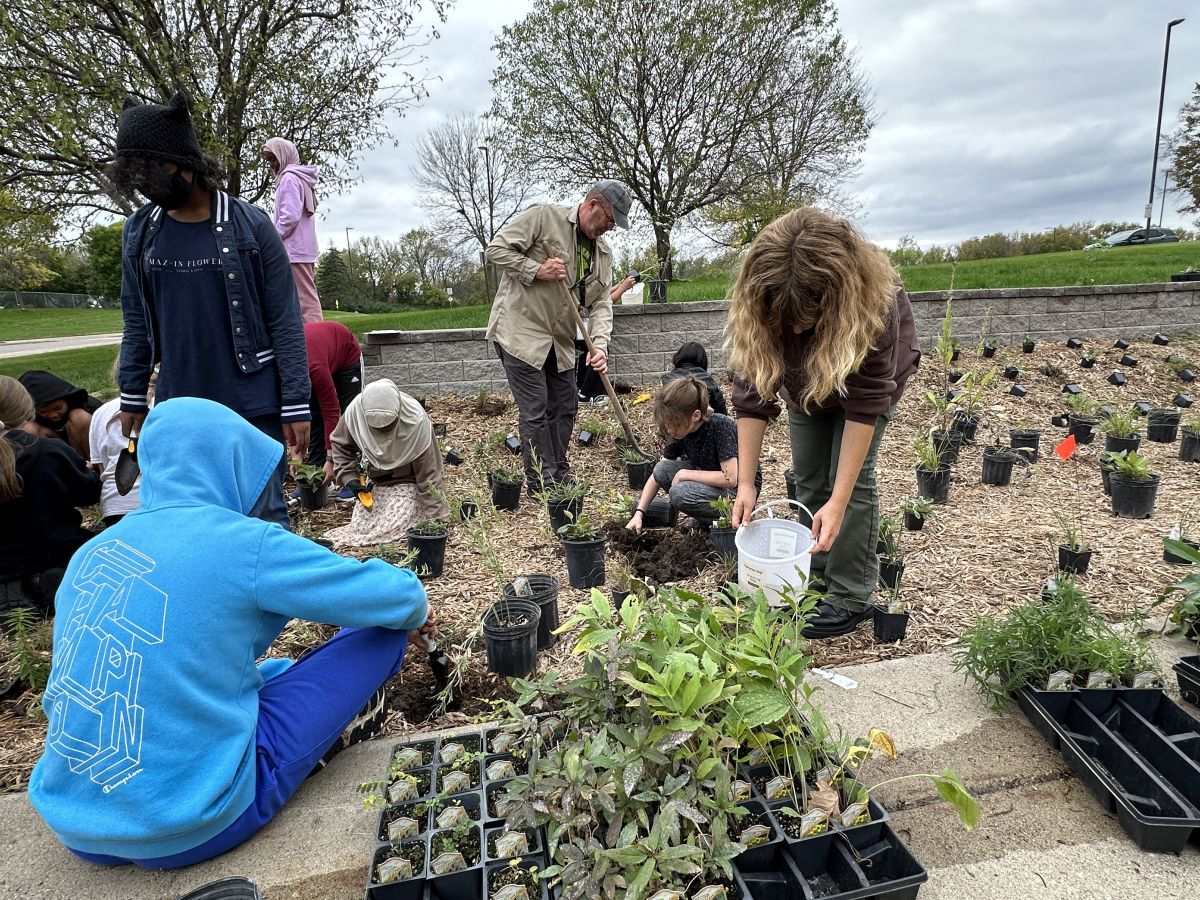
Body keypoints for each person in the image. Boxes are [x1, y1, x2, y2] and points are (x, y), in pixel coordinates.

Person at [27, 397, 434, 869]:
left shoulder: (90, 554)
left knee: (239, 669)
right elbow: (400, 597)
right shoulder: (243, 542)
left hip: (75, 824)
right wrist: (405, 613)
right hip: (192, 819)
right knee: (382, 635)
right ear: (231, 463)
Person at [109, 93, 310, 530]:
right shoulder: (140, 233)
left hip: (252, 402)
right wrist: (131, 395)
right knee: (194, 520)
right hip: (179, 403)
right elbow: (137, 321)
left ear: (184, 164)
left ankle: (271, 600)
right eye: (135, 177)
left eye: (151, 173)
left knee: (264, 518)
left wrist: (296, 402)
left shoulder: (251, 226)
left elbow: (285, 320)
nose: (145, 186)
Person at [726, 208, 921, 637]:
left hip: (865, 386)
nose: (791, 329)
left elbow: (866, 404)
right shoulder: (762, 306)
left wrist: (838, 502)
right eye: (782, 321)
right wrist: (744, 483)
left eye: (802, 320)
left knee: (847, 486)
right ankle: (812, 572)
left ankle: (850, 594)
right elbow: (752, 395)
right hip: (806, 387)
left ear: (833, 300)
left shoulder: (873, 303)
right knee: (809, 477)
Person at [485, 180, 633, 493]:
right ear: (592, 205)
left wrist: (601, 345)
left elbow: (603, 303)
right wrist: (535, 269)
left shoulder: (602, 253)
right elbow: (496, 250)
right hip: (521, 331)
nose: (610, 227)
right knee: (536, 408)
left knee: (565, 404)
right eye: (608, 218)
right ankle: (543, 480)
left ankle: (557, 470)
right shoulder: (543, 217)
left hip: (561, 340)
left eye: (614, 223)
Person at [0, 376, 101, 619]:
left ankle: (10, 587)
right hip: (56, 548)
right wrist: (89, 472)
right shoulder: (49, 451)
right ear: (28, 409)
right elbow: (87, 495)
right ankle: (51, 580)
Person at [625, 375, 758, 533]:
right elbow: (658, 474)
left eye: (673, 423)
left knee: (679, 493)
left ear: (695, 415)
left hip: (739, 491)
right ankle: (706, 520)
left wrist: (685, 474)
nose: (669, 429)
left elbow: (730, 478)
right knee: (661, 469)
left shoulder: (720, 426)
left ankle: (730, 521)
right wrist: (639, 513)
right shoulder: (681, 431)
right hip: (710, 481)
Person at [326, 379, 449, 547]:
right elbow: (340, 445)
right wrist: (350, 480)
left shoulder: (416, 421)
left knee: (394, 523)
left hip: (408, 484)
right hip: (377, 484)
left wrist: (436, 520)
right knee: (361, 526)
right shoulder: (355, 413)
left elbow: (429, 474)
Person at [262, 137, 323, 323]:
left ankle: (317, 339)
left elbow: (289, 217)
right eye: (269, 160)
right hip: (301, 248)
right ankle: (306, 338)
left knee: (306, 299)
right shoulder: (299, 178)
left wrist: (272, 236)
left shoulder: (289, 178)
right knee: (302, 297)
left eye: (274, 158)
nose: (272, 164)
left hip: (295, 249)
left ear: (284, 155)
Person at [88, 365, 157, 527]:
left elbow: (102, 469)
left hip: (115, 506)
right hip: (157, 503)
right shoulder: (168, 407)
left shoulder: (100, 412)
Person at [303, 320, 363, 496]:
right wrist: (295, 452)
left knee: (350, 413)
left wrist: (331, 458)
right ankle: (315, 475)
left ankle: (351, 476)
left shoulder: (314, 368)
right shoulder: (285, 373)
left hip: (345, 352)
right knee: (314, 415)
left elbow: (331, 411)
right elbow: (293, 411)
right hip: (322, 353)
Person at [575, 270, 640, 404]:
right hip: (582, 324)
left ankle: (581, 389)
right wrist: (623, 288)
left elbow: (603, 293)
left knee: (587, 354)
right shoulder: (584, 275)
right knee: (597, 353)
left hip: (582, 324)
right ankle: (589, 394)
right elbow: (605, 300)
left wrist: (621, 284)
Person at [17, 370, 104, 460]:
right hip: (61, 453)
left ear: (66, 399)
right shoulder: (31, 414)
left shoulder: (86, 404)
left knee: (80, 418)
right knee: (28, 428)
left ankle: (92, 467)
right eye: (43, 412)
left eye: (58, 408)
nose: (53, 415)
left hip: (89, 453)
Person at [662, 341, 728, 416]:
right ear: (702, 360)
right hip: (701, 422)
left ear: (678, 357)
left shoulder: (668, 379)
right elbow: (721, 410)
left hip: (674, 421)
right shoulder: (706, 378)